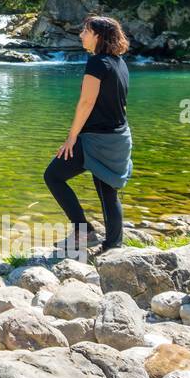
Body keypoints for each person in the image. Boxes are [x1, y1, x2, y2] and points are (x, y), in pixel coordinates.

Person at [43, 14, 132, 259]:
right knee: (107, 190)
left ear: (98, 36)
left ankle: (85, 232)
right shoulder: (119, 62)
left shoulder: (96, 63)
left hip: (96, 140)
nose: (81, 35)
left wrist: (72, 137)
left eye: (85, 31)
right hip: (119, 137)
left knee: (53, 176)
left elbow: (86, 102)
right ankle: (113, 245)